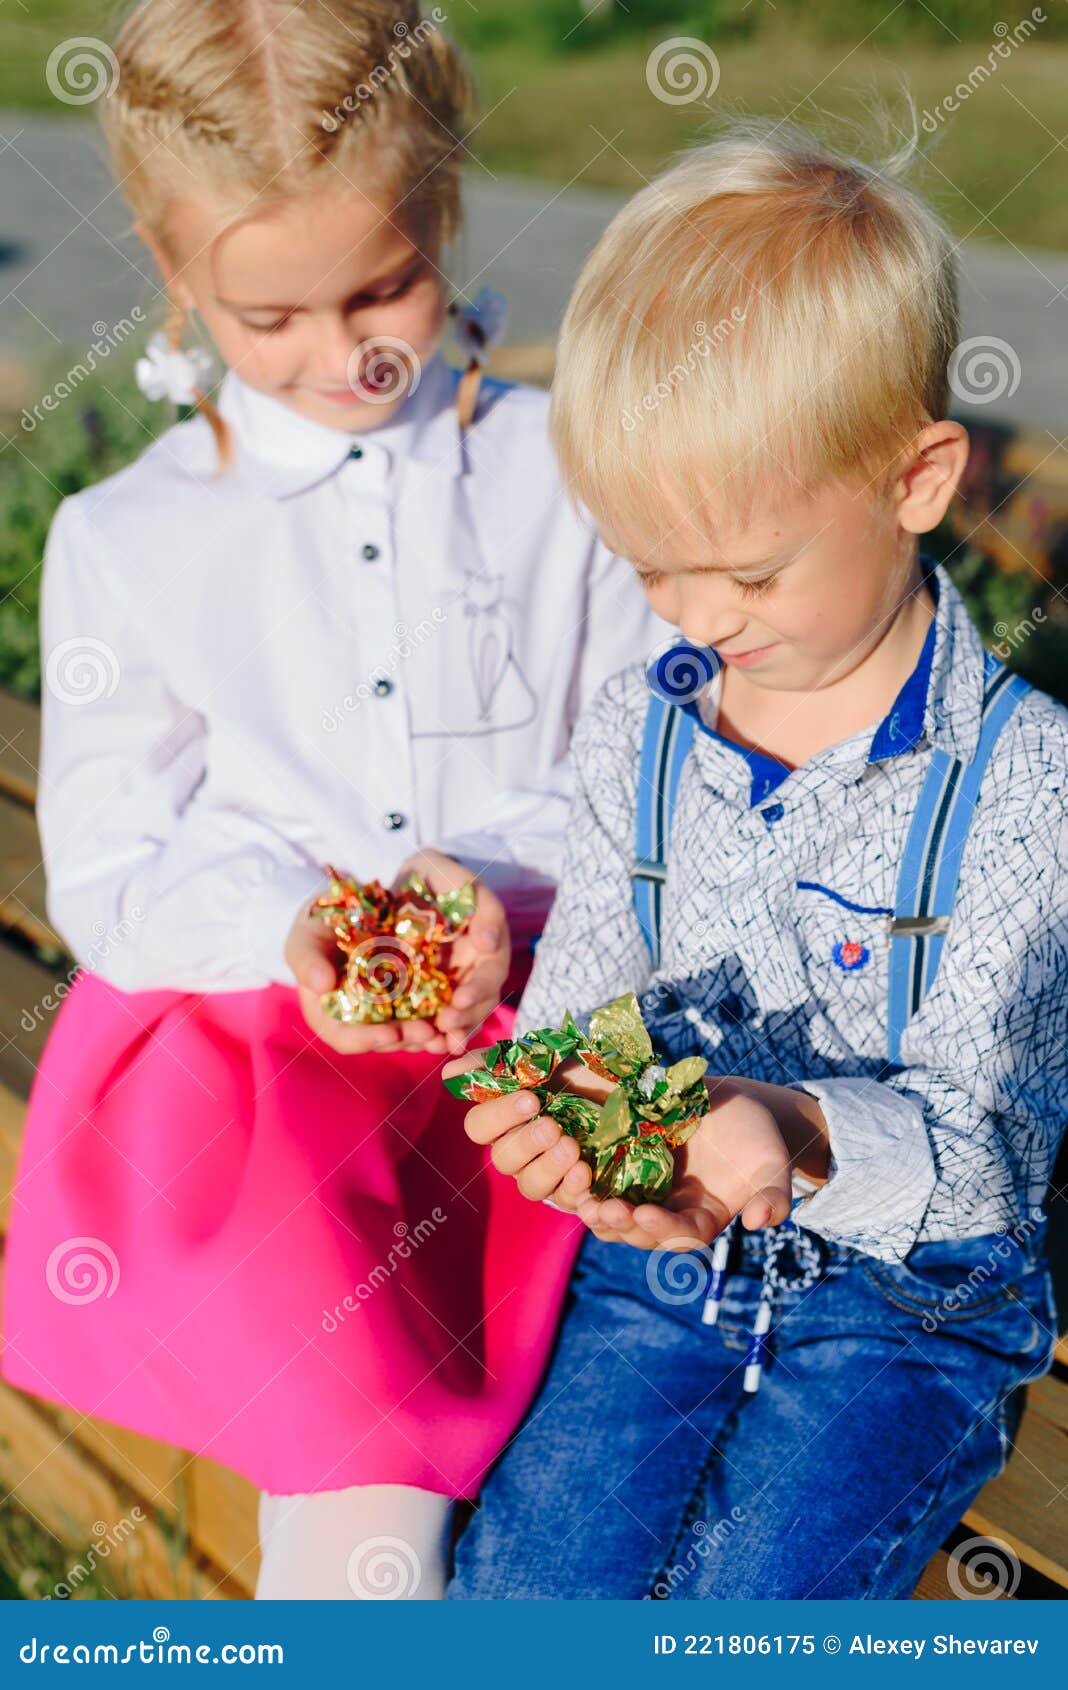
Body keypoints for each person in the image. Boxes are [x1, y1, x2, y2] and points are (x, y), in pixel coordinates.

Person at [0, 0, 658, 1601]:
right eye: (268, 313)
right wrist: (299, 923)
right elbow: (108, 869)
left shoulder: (568, 470)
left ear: (443, 215)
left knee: (621, 1451)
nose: (344, 349)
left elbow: (649, 766)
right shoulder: (128, 536)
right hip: (266, 1073)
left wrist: (497, 882)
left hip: (551, 1026)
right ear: (173, 272)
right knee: (366, 1489)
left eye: (385, 285)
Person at [446, 121, 1067, 1600]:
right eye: (650, 564)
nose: (694, 614)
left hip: (908, 1309)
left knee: (754, 1601)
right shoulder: (639, 732)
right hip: (663, 1271)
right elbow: (584, 1005)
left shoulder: (1023, 775)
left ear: (917, 478)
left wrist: (789, 1120)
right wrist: (578, 1122)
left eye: (746, 572)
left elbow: (991, 1148)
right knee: (527, 1591)